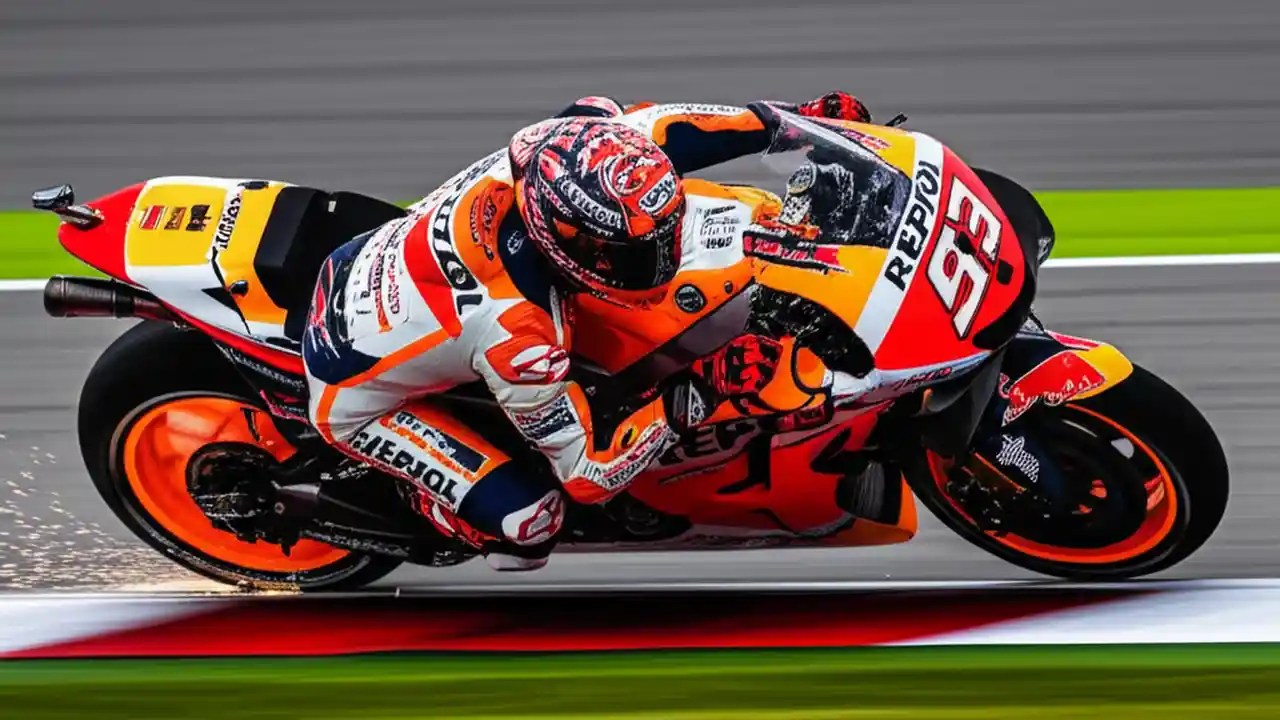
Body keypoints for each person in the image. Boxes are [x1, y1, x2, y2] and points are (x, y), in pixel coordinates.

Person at [301, 91, 874, 570]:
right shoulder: (517, 333)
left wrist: (802, 123)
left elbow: (700, 129)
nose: (662, 258)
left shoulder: (585, 142)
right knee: (532, 525)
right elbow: (588, 473)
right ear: (565, 241)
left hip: (381, 266)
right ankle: (426, 504)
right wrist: (699, 393)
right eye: (632, 255)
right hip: (356, 392)